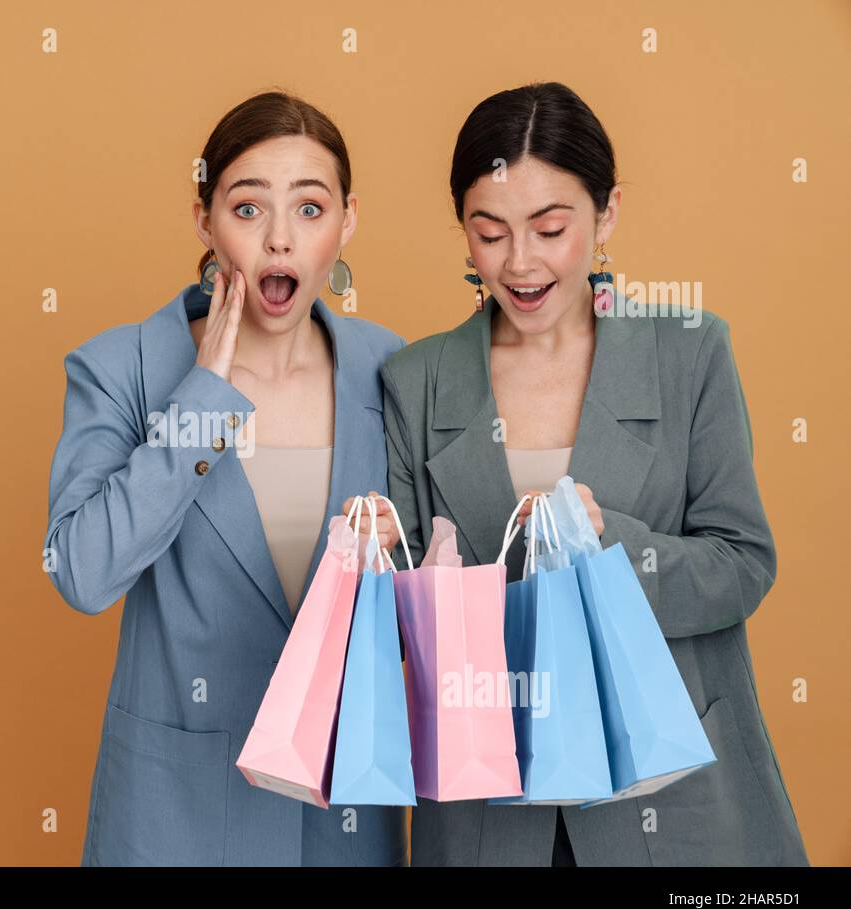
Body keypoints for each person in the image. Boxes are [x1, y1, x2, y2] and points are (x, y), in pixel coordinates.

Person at [363, 81, 808, 866]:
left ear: (607, 215)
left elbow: (743, 563)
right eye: (489, 232)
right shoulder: (417, 378)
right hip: (483, 813)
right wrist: (380, 566)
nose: (521, 263)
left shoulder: (688, 351)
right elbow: (398, 625)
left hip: (670, 801)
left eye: (551, 228)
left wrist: (618, 544)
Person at [44, 90, 407, 865]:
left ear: (348, 223)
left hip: (342, 821)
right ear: (205, 221)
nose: (280, 240)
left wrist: (398, 562)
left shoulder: (393, 371)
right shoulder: (122, 369)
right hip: (176, 821)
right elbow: (82, 571)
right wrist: (201, 399)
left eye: (310, 210)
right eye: (248, 209)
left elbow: (428, 616)